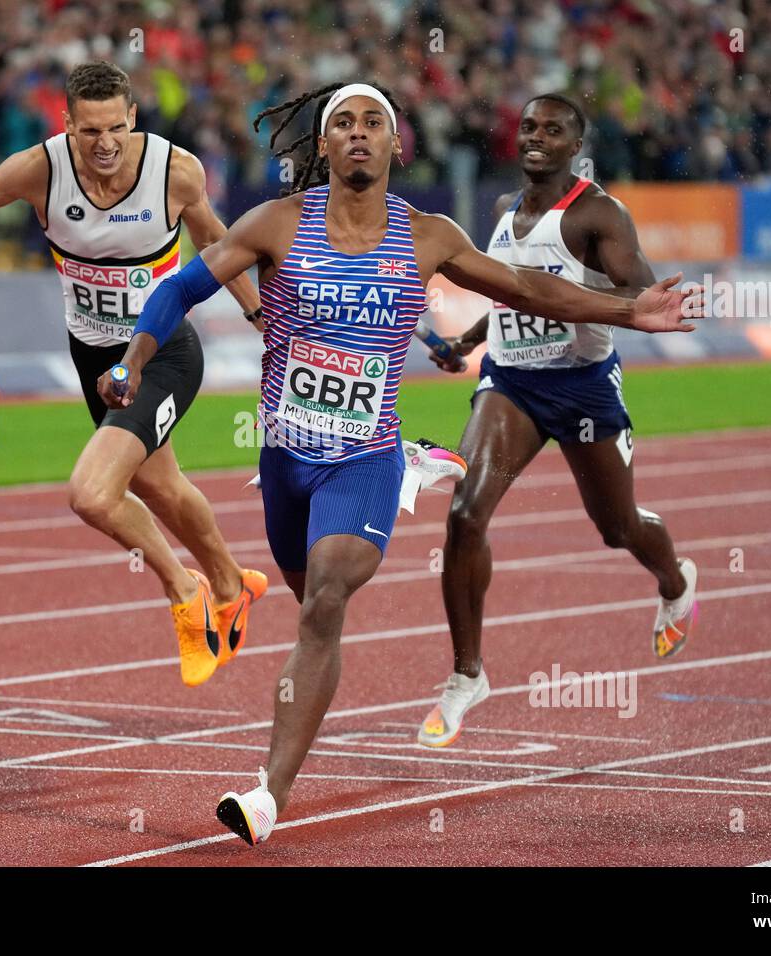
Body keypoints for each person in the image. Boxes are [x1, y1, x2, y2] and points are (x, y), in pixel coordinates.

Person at [102, 82, 697, 846]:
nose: (357, 134)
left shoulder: (430, 237)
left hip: (364, 460)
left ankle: (266, 796)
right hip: (285, 460)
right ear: (322, 144)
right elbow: (180, 287)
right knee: (302, 591)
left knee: (323, 603)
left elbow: (524, 288)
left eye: (373, 123)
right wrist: (131, 360)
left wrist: (627, 309)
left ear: (395, 144)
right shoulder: (275, 224)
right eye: (342, 123)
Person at [0, 61, 268, 688]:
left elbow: (220, 249)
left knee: (92, 494)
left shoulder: (174, 172)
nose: (104, 144)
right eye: (89, 131)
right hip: (93, 357)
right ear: (66, 124)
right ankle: (234, 584)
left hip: (163, 349)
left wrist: (262, 317)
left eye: (116, 128)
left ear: (133, 119)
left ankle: (186, 591)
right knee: (162, 487)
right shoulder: (39, 169)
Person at [418, 94, 699, 750]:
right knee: (464, 512)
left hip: (582, 388)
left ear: (577, 144)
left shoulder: (598, 214)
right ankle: (466, 674)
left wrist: (630, 304)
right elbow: (516, 289)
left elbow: (640, 296)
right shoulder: (502, 212)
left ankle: (676, 581)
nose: (536, 137)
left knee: (617, 526)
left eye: (553, 130)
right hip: (511, 383)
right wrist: (469, 342)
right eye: (529, 126)